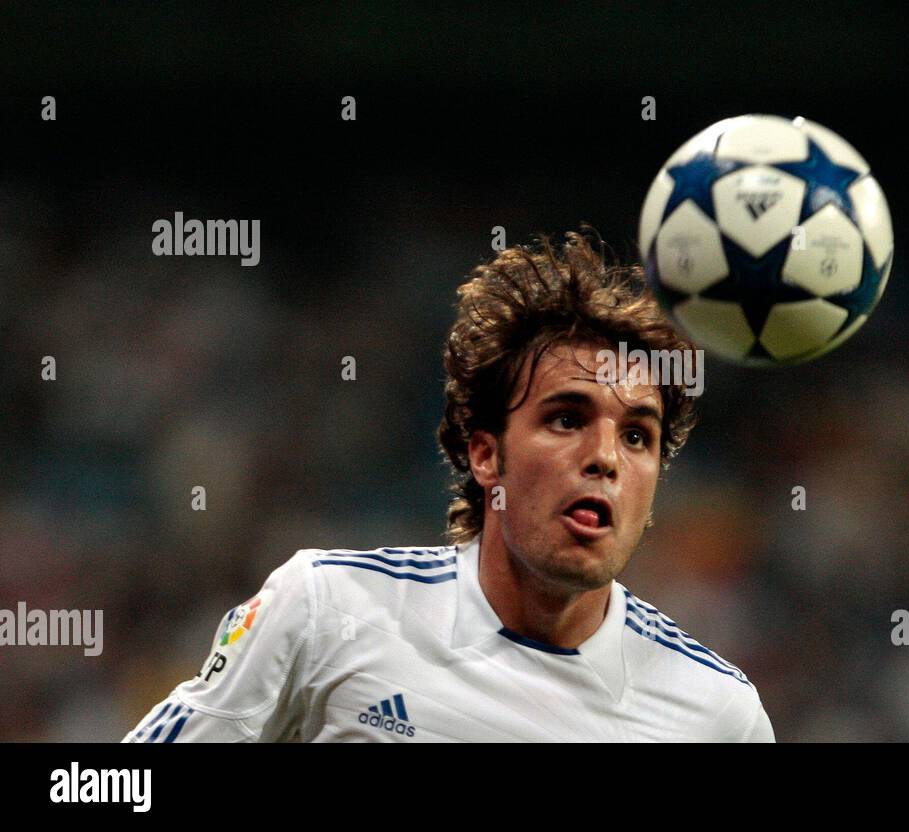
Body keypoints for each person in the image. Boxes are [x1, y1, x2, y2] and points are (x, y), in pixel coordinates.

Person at [123, 230, 774, 742]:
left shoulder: (716, 714)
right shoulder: (326, 608)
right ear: (485, 454)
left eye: (638, 436)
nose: (605, 457)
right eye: (567, 419)